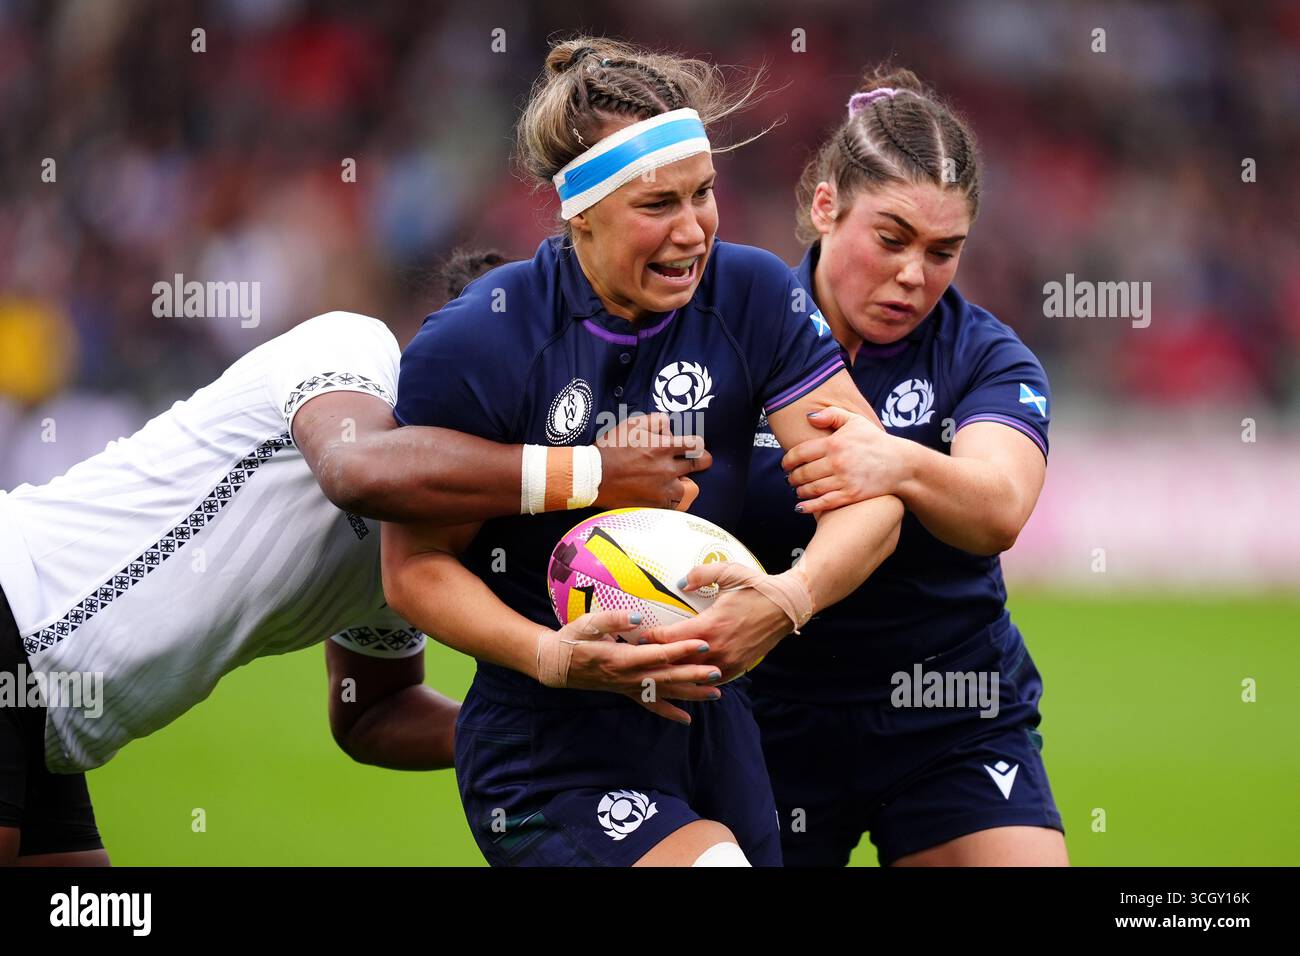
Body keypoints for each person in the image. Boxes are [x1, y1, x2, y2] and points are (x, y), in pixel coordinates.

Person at [382, 37, 904, 868]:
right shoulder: (480, 341)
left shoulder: (756, 294)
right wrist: (552, 654)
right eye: (658, 205)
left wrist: (789, 597)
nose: (693, 229)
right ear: (579, 210)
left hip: (715, 720)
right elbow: (410, 571)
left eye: (704, 194)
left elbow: (872, 492)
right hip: (547, 744)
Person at [0, 305, 714, 866]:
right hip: (15, 601)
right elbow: (355, 473)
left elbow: (374, 710)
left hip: (55, 721)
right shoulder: (351, 351)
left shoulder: (432, 538)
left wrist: (545, 731)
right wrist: (589, 470)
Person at [738, 67, 1068, 866]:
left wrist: (895, 462)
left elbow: (999, 507)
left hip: (949, 715)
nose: (914, 276)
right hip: (761, 719)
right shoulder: (734, 334)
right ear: (825, 206)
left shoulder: (986, 357)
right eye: (891, 239)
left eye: (943, 251)